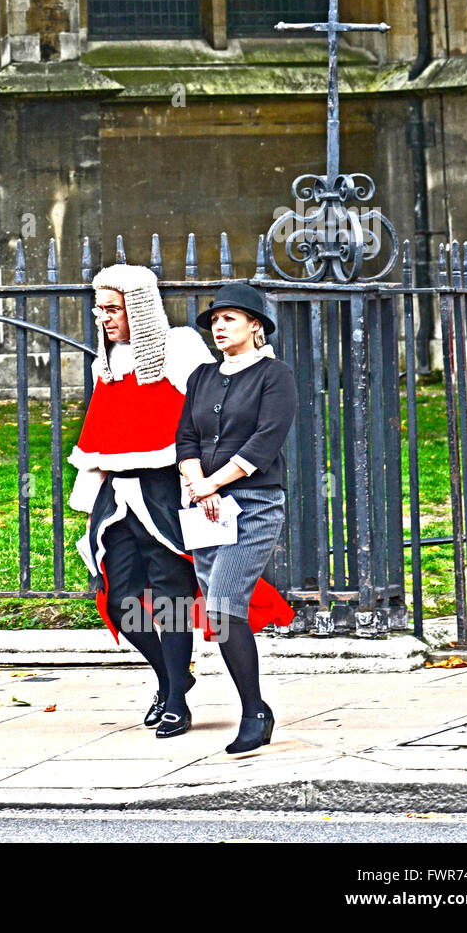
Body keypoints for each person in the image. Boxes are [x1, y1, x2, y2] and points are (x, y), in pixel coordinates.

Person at [68, 263, 215, 738]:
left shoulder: (180, 349)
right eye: (100, 310)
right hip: (117, 492)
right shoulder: (104, 364)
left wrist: (202, 482)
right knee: (119, 597)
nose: (104, 319)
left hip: (164, 487)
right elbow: (102, 435)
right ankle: (174, 677)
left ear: (140, 308)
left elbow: (204, 417)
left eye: (113, 309)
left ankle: (175, 701)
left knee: (170, 594)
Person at [177, 282, 298, 754]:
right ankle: (255, 707)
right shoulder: (202, 376)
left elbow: (266, 441)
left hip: (254, 503)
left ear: (256, 326)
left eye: (230, 318)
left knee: (225, 606)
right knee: (221, 615)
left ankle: (253, 711)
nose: (219, 326)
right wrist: (196, 482)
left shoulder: (275, 374)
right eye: (214, 320)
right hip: (205, 505)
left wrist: (215, 481)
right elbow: (185, 437)